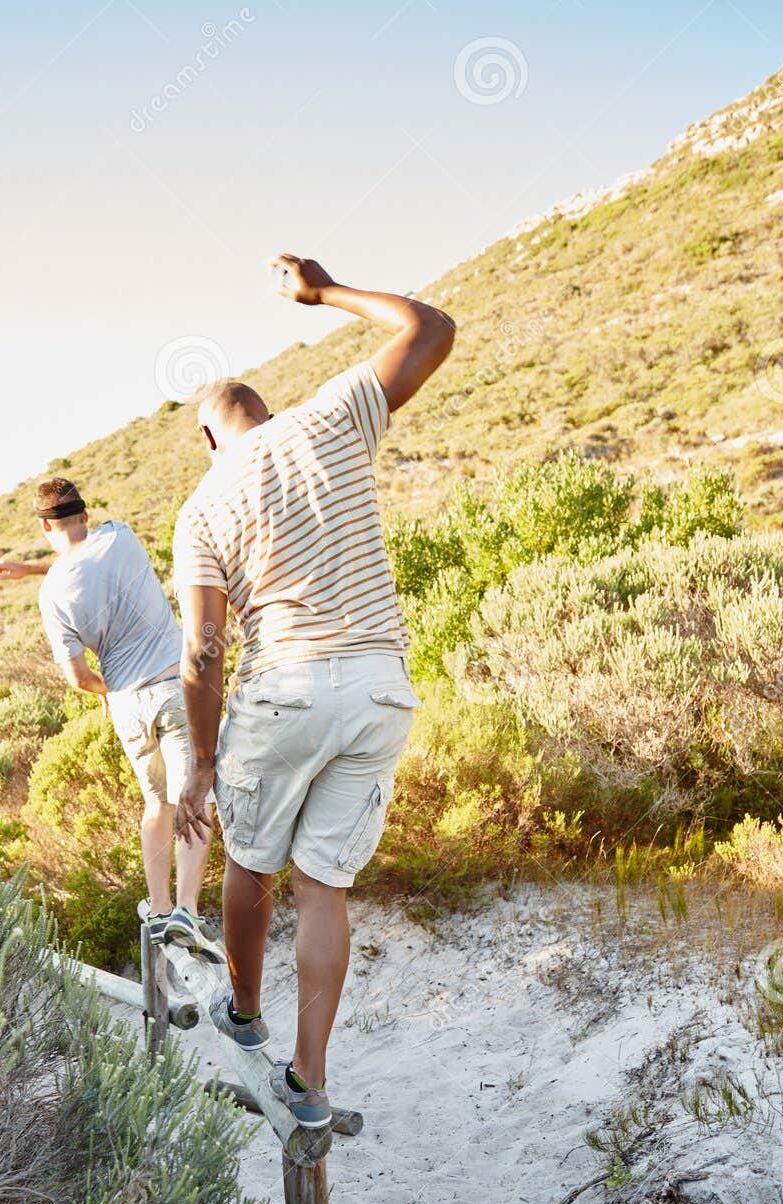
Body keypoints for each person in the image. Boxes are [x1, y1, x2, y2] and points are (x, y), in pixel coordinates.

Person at [173, 254, 455, 1130]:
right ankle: (309, 1077)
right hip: (380, 687)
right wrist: (323, 292)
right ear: (261, 412)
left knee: (252, 864)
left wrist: (203, 761)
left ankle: (247, 1015)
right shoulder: (331, 416)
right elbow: (430, 328)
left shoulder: (204, 505)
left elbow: (204, 651)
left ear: (211, 438)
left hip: (286, 688)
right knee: (322, 887)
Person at [0, 477, 221, 956]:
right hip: (174, 688)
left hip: (127, 705)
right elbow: (90, 561)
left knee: (157, 804)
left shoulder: (50, 596)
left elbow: (76, 675)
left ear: (46, 526)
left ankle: (158, 908)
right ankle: (189, 914)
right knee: (197, 799)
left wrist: (106, 689)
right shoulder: (121, 537)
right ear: (85, 516)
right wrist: (34, 567)